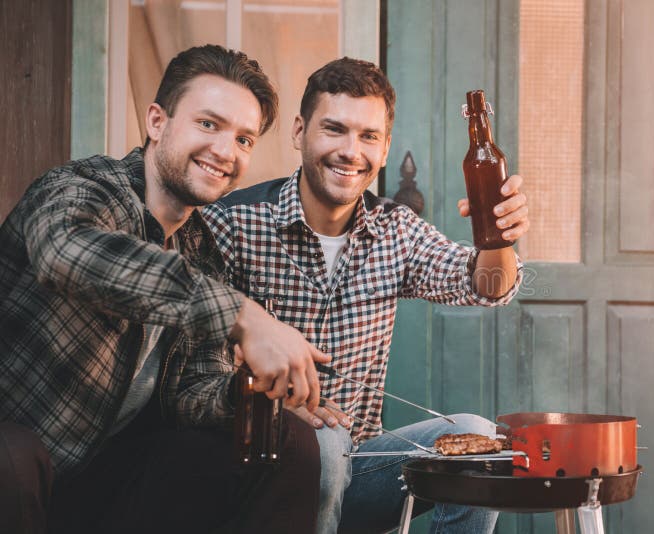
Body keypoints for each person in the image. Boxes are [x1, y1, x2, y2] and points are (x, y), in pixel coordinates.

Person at [0, 44, 330, 534]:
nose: (225, 152)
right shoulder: (83, 189)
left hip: (102, 479)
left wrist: (251, 392)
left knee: (288, 440)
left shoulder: (202, 252)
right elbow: (65, 253)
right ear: (157, 121)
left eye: (244, 139)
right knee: (12, 455)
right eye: (209, 124)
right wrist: (245, 316)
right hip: (21, 462)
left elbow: (189, 394)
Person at [201, 57, 529, 533]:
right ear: (299, 131)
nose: (351, 151)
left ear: (385, 146)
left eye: (368, 136)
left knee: (479, 441)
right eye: (334, 130)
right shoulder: (234, 223)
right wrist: (277, 407)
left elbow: (485, 287)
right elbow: (193, 371)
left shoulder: (395, 230)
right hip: (254, 476)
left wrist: (498, 241)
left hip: (359, 470)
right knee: (325, 442)